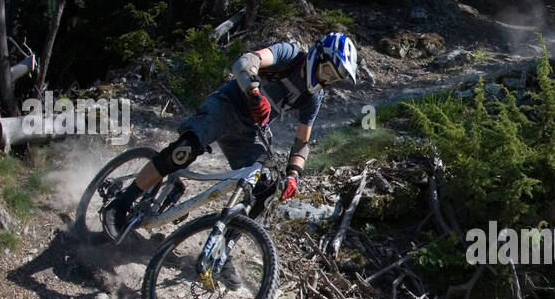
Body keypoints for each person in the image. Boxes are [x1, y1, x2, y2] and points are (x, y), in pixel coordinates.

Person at [102, 31, 361, 281]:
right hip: (225, 106)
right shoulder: (290, 55)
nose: (327, 79)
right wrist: (253, 91)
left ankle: (221, 253)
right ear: (319, 55)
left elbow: (302, 141)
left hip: (249, 132)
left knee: (266, 188)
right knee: (184, 151)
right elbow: (247, 61)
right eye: (328, 71)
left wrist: (294, 174)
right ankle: (120, 204)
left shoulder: (313, 97)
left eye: (334, 77)